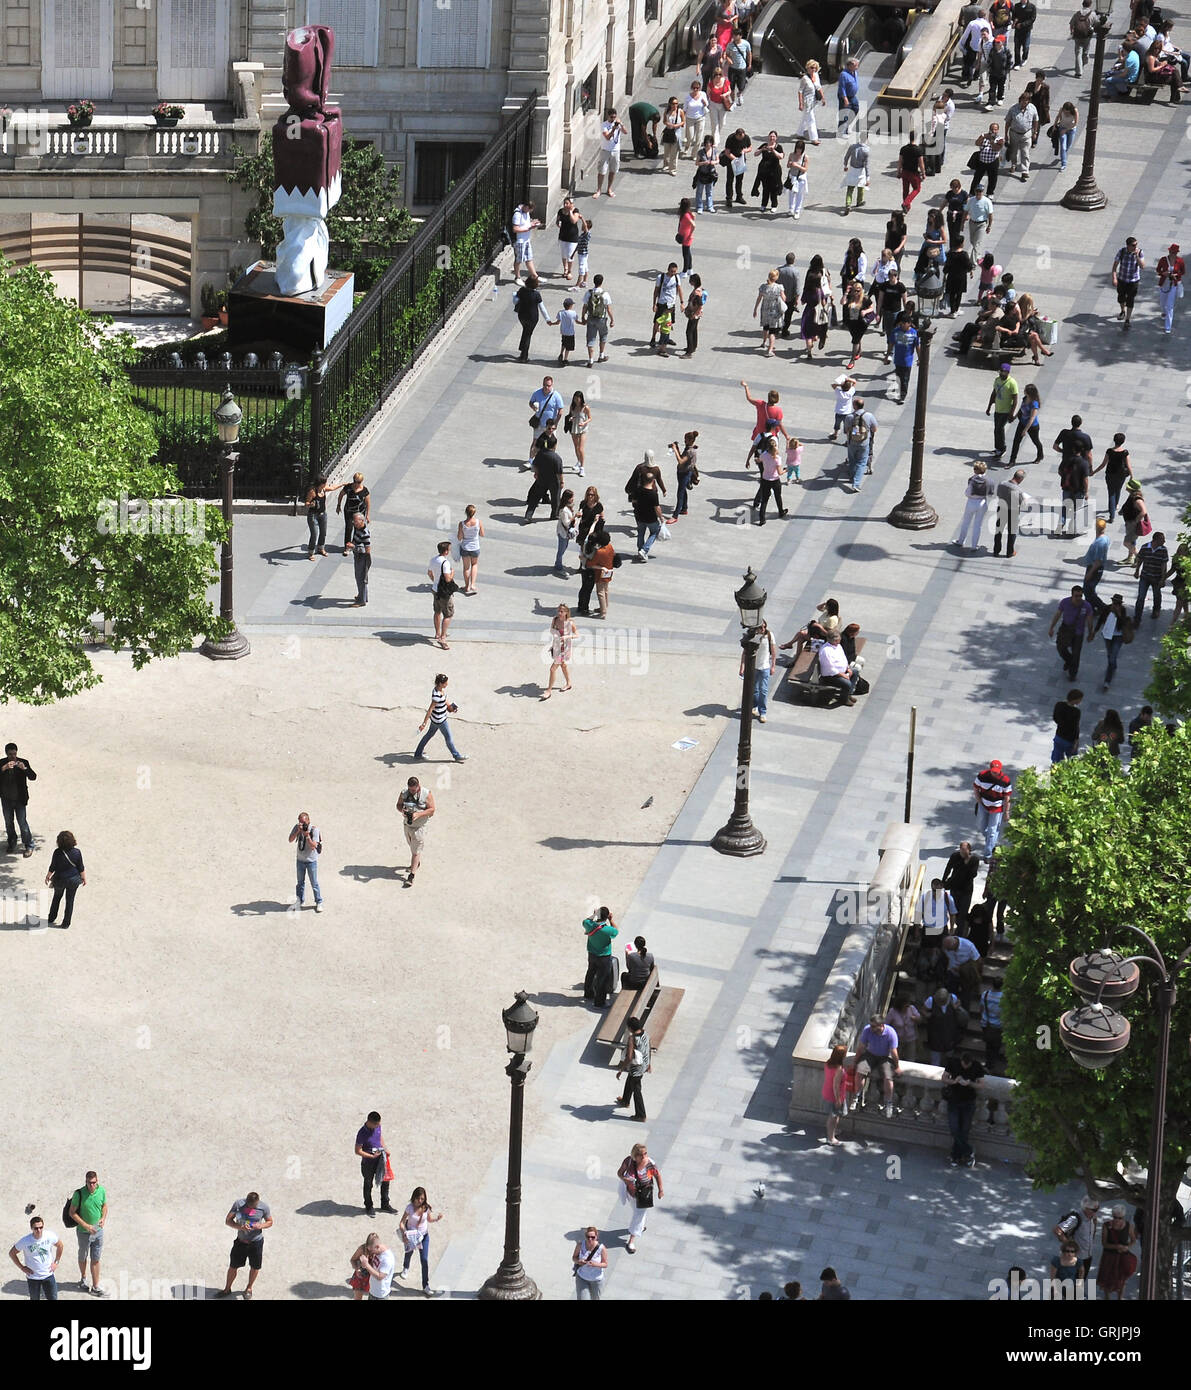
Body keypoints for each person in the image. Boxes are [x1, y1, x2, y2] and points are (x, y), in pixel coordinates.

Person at [216, 1191, 272, 1299]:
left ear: (257, 1203)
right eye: (248, 1205)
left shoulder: (264, 1207)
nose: (250, 1207)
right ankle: (227, 1289)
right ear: (246, 1201)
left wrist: (260, 1225)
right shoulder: (238, 1204)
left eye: (253, 1206)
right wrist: (240, 1227)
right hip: (241, 1242)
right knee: (233, 1266)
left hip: (256, 1242)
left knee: (255, 1267)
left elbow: (270, 1222)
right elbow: (228, 1220)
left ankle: (249, 1288)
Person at [398, 1188, 444, 1296]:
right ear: (414, 1197)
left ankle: (425, 1285)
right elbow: (401, 1222)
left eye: (422, 1199)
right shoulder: (409, 1208)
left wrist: (437, 1219)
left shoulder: (425, 1208)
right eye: (418, 1198)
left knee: (424, 1260)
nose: (420, 1201)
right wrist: (405, 1233)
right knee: (408, 1253)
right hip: (411, 1236)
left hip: (424, 1236)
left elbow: (429, 1219)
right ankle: (406, 1267)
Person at [618, 1143, 664, 1253]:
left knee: (639, 1214)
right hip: (630, 1193)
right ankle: (640, 1226)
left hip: (643, 1194)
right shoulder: (628, 1161)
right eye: (640, 1154)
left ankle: (631, 1241)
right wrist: (625, 1179)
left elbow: (657, 1175)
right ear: (635, 1155)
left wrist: (660, 1190)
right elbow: (619, 1173)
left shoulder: (649, 1164)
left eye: (645, 1153)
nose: (643, 1156)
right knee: (637, 1212)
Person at [853, 1012, 900, 1117]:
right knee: (860, 1071)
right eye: (871, 1025)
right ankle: (857, 1097)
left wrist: (897, 1067)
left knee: (888, 1077)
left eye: (874, 1026)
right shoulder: (867, 1030)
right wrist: (855, 1062)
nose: (871, 1028)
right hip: (870, 1054)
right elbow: (861, 1047)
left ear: (881, 1026)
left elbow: (894, 1052)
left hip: (885, 1057)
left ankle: (888, 1103)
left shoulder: (891, 1033)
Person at [942, 1051, 984, 1167]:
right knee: (954, 1128)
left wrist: (969, 1083)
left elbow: (981, 1085)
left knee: (964, 1130)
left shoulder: (977, 1066)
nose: (965, 1067)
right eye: (964, 1064)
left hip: (968, 1102)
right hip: (954, 1101)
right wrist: (954, 1081)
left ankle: (956, 1155)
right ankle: (969, 1151)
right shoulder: (953, 1063)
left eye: (967, 1065)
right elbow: (944, 1078)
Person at [69, 1172, 107, 1296]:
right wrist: (86, 1226)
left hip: (98, 1231)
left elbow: (104, 1206)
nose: (92, 1185)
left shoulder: (101, 1191)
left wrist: (103, 1218)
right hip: (83, 1232)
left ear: (97, 1181)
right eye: (89, 1183)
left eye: (94, 1183)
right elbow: (72, 1213)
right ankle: (83, 1279)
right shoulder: (79, 1194)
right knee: (83, 1256)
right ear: (85, 1182)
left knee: (96, 1258)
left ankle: (96, 1287)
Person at [9, 1215, 62, 1301]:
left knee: (53, 1298)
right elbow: (12, 1253)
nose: (39, 1230)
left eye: (41, 1227)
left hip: (48, 1275)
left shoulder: (49, 1235)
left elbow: (60, 1245)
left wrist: (56, 1262)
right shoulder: (25, 1241)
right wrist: (22, 1267)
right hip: (33, 1277)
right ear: (31, 1228)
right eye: (36, 1228)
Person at [415, 673, 467, 761]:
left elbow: (444, 700)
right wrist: (424, 723)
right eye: (446, 683)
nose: (447, 684)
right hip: (441, 721)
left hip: (435, 720)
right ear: (440, 684)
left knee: (428, 736)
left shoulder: (439, 690)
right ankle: (456, 756)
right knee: (449, 738)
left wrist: (450, 707)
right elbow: (430, 709)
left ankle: (418, 754)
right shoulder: (436, 696)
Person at [1049, 585, 1095, 680]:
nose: (1078, 598)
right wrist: (1052, 627)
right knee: (1060, 647)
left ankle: (1072, 673)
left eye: (1080, 596)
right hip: (1065, 629)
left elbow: (1090, 621)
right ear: (1072, 595)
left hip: (1078, 633)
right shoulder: (1065, 602)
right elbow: (1058, 614)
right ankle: (1068, 660)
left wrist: (1091, 633)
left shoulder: (1086, 606)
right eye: (1076, 596)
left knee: (1076, 654)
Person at [397, 776, 434, 887]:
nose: (411, 792)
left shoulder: (426, 794)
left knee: (415, 851)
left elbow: (432, 809)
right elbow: (398, 805)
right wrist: (402, 810)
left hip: (420, 827)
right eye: (410, 789)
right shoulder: (404, 793)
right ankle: (416, 863)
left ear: (418, 786)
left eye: (413, 790)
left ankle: (411, 876)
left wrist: (418, 814)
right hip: (407, 825)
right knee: (411, 845)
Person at [355, 1111, 393, 1218]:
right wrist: (371, 1156)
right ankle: (369, 1206)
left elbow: (380, 1137)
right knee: (368, 1184)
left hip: (380, 1160)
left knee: (385, 1180)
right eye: (376, 1124)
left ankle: (385, 1204)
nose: (378, 1126)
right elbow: (357, 1150)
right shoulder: (362, 1133)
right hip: (368, 1163)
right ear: (370, 1122)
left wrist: (385, 1148)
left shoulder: (378, 1126)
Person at [1052, 1196, 1100, 1278]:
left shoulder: (1092, 1218)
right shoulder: (1075, 1219)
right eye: (1094, 1210)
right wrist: (1069, 1244)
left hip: (1087, 1257)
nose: (1096, 1212)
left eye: (1097, 1209)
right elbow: (1057, 1230)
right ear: (1086, 1208)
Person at [973, 759, 1011, 858]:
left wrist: (1006, 812)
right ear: (990, 769)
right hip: (983, 805)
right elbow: (976, 788)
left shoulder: (1005, 780)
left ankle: (988, 854)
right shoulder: (982, 776)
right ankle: (991, 842)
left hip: (997, 808)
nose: (995, 774)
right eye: (993, 771)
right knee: (981, 827)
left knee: (992, 831)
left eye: (997, 772)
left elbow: (1007, 798)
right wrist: (979, 801)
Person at [616, 1016, 652, 1120]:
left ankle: (641, 1115)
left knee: (637, 1089)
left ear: (630, 1028)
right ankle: (625, 1101)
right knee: (630, 1080)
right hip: (644, 1063)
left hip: (636, 1067)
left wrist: (621, 1069)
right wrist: (649, 1063)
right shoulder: (645, 1033)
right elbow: (648, 1047)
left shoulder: (632, 1039)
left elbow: (629, 1057)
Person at [1097, 1207, 1138, 1299]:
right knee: (1107, 1277)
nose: (1117, 1220)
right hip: (1109, 1256)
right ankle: (1107, 1297)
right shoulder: (1106, 1225)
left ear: (1123, 1217)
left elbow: (1133, 1240)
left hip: (1122, 1257)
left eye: (1120, 1218)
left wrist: (1127, 1247)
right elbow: (1104, 1243)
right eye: (1115, 1217)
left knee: (1121, 1278)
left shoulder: (1128, 1226)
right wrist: (1117, 1247)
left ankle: (1120, 1297)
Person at [583, 905, 619, 1007]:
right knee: (602, 979)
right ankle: (599, 1002)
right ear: (607, 916)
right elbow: (616, 931)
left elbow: (585, 921)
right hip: (604, 957)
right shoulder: (607, 929)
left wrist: (594, 914)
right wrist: (611, 920)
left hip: (592, 954)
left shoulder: (589, 925)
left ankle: (588, 993)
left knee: (590, 973)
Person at [922, 988, 969, 1065]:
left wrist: (955, 1007)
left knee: (949, 1055)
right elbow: (923, 1010)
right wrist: (928, 1015)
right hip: (935, 1033)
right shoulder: (930, 1000)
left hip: (949, 1031)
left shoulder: (952, 998)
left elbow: (959, 1002)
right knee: (935, 1058)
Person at [742, 619, 777, 722]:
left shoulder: (769, 635)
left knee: (764, 690)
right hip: (753, 667)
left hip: (764, 667)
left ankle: (763, 712)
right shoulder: (752, 637)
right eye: (761, 627)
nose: (763, 629)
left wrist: (773, 666)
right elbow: (744, 652)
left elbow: (774, 652)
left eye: (764, 627)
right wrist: (742, 666)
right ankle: (754, 706)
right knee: (755, 689)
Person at [1134, 530, 1172, 622]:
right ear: (1156, 540)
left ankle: (1156, 610)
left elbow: (1164, 565)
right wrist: (1137, 570)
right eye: (1162, 540)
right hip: (1145, 576)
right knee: (1141, 597)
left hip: (1156, 577)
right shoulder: (1145, 547)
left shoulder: (1163, 550)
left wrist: (1162, 579)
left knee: (1157, 595)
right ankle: (1137, 617)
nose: (1164, 541)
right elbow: (1140, 559)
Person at [954, 461, 992, 551]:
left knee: (966, 522)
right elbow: (990, 494)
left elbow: (967, 493)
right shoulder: (989, 481)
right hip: (982, 503)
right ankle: (974, 545)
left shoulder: (972, 480)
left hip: (971, 502)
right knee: (977, 525)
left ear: (976, 470)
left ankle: (961, 541)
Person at [818, 630, 862, 707]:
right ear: (832, 640)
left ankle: (848, 694)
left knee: (855, 671)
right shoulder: (826, 651)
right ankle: (843, 699)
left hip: (841, 671)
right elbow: (830, 668)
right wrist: (842, 675)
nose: (839, 642)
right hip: (831, 676)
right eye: (837, 640)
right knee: (847, 683)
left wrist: (847, 668)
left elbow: (843, 658)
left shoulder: (837, 646)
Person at [942, 841, 981, 928]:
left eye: (965, 850)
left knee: (963, 913)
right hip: (954, 888)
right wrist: (943, 881)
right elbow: (948, 868)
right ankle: (959, 927)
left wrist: (966, 864)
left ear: (969, 850)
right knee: (954, 911)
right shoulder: (955, 856)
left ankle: (960, 931)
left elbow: (973, 875)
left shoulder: (974, 860)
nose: (963, 852)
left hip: (966, 890)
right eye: (961, 850)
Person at [427, 540, 457, 650]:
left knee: (437, 611)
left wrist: (435, 581)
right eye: (449, 549)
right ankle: (443, 638)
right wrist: (452, 572)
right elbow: (448, 578)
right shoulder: (446, 563)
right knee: (448, 615)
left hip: (435, 589)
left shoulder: (433, 560)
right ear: (446, 551)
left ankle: (437, 633)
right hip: (444, 592)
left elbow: (429, 573)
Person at [986, 363, 1019, 459]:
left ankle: (1002, 448)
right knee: (996, 429)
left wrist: (1011, 413)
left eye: (1003, 371)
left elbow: (1015, 399)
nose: (1001, 373)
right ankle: (997, 448)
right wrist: (989, 407)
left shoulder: (1012, 383)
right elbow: (994, 393)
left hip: (1006, 411)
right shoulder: (997, 380)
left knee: (999, 429)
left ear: (1008, 372)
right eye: (1000, 371)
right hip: (998, 409)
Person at [1004, 89, 1039, 179]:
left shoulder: (1032, 108)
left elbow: (1036, 120)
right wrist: (1006, 134)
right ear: (1020, 100)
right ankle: (1013, 165)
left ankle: (1025, 170)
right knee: (1013, 152)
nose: (1024, 102)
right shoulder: (1013, 108)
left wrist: (1035, 132)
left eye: (1026, 100)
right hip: (1014, 133)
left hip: (1026, 134)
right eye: (1023, 100)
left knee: (1025, 153)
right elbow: (1008, 122)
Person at [543, 604, 577, 698]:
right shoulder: (555, 619)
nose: (559, 613)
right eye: (558, 611)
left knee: (552, 669)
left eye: (561, 611)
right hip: (557, 646)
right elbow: (552, 630)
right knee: (563, 665)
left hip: (564, 649)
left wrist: (567, 636)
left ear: (566, 613)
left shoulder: (570, 623)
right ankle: (569, 683)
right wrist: (554, 640)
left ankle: (549, 690)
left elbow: (577, 635)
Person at [1111, 237, 1145, 329]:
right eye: (1133, 245)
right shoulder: (1122, 252)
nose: (1135, 247)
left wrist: (1137, 256)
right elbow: (1114, 267)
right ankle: (1123, 310)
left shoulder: (1140, 252)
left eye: (1136, 244)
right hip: (1122, 279)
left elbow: (1142, 266)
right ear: (1128, 246)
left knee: (1130, 299)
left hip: (1133, 281)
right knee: (1121, 297)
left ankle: (1127, 320)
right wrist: (1114, 278)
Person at [580, 274, 614, 365]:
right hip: (601, 319)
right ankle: (601, 355)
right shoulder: (605, 294)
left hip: (591, 318)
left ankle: (590, 360)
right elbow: (609, 309)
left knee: (591, 338)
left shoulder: (589, 293)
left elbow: (584, 307)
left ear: (593, 282)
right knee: (603, 335)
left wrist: (583, 317)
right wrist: (612, 320)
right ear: (602, 282)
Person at [512, 272, 546, 361]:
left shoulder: (522, 290)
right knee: (528, 335)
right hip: (532, 318)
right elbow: (542, 308)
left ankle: (522, 350)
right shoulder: (536, 294)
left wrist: (514, 295)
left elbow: (515, 301)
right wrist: (548, 319)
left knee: (525, 331)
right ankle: (524, 356)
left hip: (522, 315)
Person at [1080, 517, 1111, 614]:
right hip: (1094, 567)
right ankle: (1092, 609)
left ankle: (1102, 607)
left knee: (1088, 591)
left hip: (1094, 569)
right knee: (1089, 590)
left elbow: (1098, 561)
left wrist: (1090, 573)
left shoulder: (1100, 543)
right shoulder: (1105, 538)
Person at [753, 268, 786, 357]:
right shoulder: (779, 287)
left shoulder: (763, 287)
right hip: (774, 311)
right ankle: (770, 349)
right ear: (776, 278)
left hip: (765, 310)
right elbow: (784, 298)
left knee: (765, 327)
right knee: (772, 331)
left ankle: (764, 342)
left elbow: (759, 298)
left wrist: (755, 309)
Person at [335, 472, 370, 554]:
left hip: (359, 513)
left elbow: (368, 502)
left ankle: (354, 545)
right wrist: (338, 505)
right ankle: (347, 547)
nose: (356, 484)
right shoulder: (349, 487)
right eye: (355, 481)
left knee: (357, 529)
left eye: (358, 482)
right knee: (349, 528)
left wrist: (367, 515)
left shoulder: (364, 490)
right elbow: (341, 494)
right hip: (349, 511)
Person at [355, 1232, 396, 1301]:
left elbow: (380, 1277)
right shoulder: (377, 1251)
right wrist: (362, 1269)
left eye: (371, 1250)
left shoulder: (387, 1259)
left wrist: (366, 1265)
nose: (371, 1252)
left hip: (380, 1296)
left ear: (377, 1247)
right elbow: (374, 1267)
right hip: (373, 1292)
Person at [752, 130, 784, 213]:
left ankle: (774, 205)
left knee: (773, 189)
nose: (772, 138)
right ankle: (763, 205)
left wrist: (773, 150)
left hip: (774, 171)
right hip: (764, 171)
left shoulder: (778, 147)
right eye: (770, 136)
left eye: (773, 136)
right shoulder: (764, 145)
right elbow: (755, 154)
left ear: (776, 138)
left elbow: (781, 156)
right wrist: (762, 149)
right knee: (765, 188)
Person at [595, 109, 625, 196]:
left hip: (615, 150)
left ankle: (609, 189)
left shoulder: (617, 124)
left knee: (613, 171)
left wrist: (621, 125)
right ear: (608, 116)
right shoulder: (604, 125)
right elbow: (607, 137)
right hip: (605, 150)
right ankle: (598, 190)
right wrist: (613, 129)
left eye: (615, 117)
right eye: (612, 117)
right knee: (602, 171)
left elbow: (625, 132)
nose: (613, 119)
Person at [822, 1044, 848, 1144]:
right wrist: (838, 1099)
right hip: (834, 1096)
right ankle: (830, 1138)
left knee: (834, 1115)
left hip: (827, 1091)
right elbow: (836, 1086)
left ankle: (833, 1131)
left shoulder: (828, 1063)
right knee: (833, 1117)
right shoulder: (839, 1069)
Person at [456, 503, 484, 595]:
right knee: (474, 564)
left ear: (466, 513)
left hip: (465, 547)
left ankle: (466, 586)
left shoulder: (462, 524)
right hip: (475, 546)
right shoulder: (478, 522)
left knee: (466, 567)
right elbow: (482, 534)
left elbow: (459, 537)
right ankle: (473, 584)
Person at [890, 310, 918, 403]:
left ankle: (902, 395)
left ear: (909, 323)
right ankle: (899, 390)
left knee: (905, 378)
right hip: (898, 360)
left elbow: (917, 346)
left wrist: (920, 358)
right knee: (898, 377)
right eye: (901, 323)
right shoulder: (895, 331)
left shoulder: (914, 333)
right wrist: (887, 355)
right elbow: (891, 343)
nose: (902, 325)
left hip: (907, 361)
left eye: (904, 324)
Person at [1120, 479, 1150, 566]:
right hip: (1129, 523)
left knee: (1127, 543)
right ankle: (1130, 558)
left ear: (1131, 489)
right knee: (1132, 542)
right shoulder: (1132, 495)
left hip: (1132, 524)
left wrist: (1135, 521)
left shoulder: (1137, 500)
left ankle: (1139, 557)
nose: (1126, 487)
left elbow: (1144, 511)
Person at [588, 527, 616, 620]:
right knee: (606, 590)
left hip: (601, 573)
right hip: (609, 571)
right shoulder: (610, 547)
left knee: (600, 592)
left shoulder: (600, 552)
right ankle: (605, 606)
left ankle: (603, 612)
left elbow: (591, 564)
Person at [572, 1227, 608, 1299]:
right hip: (582, 1277)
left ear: (596, 1237)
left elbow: (605, 1264)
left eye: (592, 1237)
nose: (590, 1239)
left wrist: (595, 1264)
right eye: (588, 1237)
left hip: (596, 1279)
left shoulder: (601, 1248)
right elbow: (574, 1257)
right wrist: (579, 1261)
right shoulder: (580, 1245)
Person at [1157, 242, 1185, 333]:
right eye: (1171, 252)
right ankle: (1164, 312)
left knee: (1170, 306)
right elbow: (1158, 270)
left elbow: (1183, 272)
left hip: (1173, 284)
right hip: (1164, 283)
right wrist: (1163, 273)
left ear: (1177, 253)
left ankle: (1168, 326)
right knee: (1162, 302)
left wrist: (1176, 275)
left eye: (1174, 252)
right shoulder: (1163, 260)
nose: (1172, 254)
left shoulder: (1180, 261)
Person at [887, 994, 923, 1063]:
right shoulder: (892, 1011)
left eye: (908, 1005)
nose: (907, 1007)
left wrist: (915, 1019)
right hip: (897, 1040)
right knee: (895, 1059)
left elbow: (920, 1019)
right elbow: (886, 1024)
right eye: (906, 1005)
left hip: (911, 1039)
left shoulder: (912, 1008)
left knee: (911, 1059)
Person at [511, 200, 541, 281]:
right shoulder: (517, 214)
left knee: (529, 258)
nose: (529, 212)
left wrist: (532, 223)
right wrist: (528, 228)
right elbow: (515, 229)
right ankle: (517, 277)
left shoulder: (526, 212)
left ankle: (535, 276)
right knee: (519, 260)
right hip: (520, 240)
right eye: (529, 210)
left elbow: (525, 223)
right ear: (526, 207)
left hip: (526, 240)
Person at [796, 59, 825, 144]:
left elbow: (819, 87)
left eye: (815, 68)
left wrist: (823, 98)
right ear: (808, 68)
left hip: (814, 101)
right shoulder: (804, 78)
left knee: (805, 117)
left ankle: (799, 133)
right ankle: (814, 138)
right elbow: (800, 91)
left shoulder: (816, 76)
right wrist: (800, 103)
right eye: (812, 68)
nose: (813, 69)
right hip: (807, 102)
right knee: (811, 119)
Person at [1051, 688, 1084, 762]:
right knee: (1072, 759)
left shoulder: (1059, 705)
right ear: (1075, 699)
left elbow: (1055, 718)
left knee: (1056, 759)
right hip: (1070, 739)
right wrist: (1076, 741)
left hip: (1059, 736)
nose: (1080, 701)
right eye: (1080, 699)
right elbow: (1075, 727)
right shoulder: (1076, 712)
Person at [346, 512, 371, 607]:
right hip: (358, 557)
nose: (354, 523)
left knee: (361, 579)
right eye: (354, 521)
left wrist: (354, 547)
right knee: (359, 577)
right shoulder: (357, 529)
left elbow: (367, 550)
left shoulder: (365, 533)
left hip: (363, 558)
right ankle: (363, 596)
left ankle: (361, 601)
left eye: (356, 521)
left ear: (362, 521)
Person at [304, 475, 332, 559]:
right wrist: (310, 504)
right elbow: (306, 503)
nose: (326, 484)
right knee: (314, 534)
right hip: (313, 516)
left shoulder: (323, 489)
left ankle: (320, 548)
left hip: (323, 514)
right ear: (320, 484)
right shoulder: (312, 492)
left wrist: (342, 485)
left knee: (323, 532)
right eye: (324, 483)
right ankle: (311, 552)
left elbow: (333, 488)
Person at [970, 126, 1003, 196]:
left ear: (998, 130)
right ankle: (972, 193)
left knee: (992, 179)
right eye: (992, 129)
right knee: (977, 178)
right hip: (982, 161)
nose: (993, 131)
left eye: (995, 129)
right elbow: (977, 143)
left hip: (993, 161)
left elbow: (996, 148)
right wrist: (983, 137)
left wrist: (991, 141)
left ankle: (990, 193)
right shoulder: (984, 136)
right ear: (989, 129)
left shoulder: (1000, 139)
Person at [980, 976, 1004, 1070]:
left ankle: (988, 1063)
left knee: (988, 1045)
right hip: (998, 1026)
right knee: (996, 1045)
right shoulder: (1004, 998)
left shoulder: (985, 994)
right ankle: (992, 1063)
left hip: (986, 1024)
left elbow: (981, 1009)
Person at [841, 133, 869, 214]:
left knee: (850, 188)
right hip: (860, 171)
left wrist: (845, 165)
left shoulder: (852, 147)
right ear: (867, 139)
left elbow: (846, 157)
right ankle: (859, 201)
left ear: (859, 137)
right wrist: (868, 178)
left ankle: (848, 204)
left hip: (852, 170)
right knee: (861, 187)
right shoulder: (866, 150)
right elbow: (867, 165)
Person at [897, 129, 925, 211]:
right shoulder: (918, 150)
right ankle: (906, 203)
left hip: (905, 172)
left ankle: (907, 207)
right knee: (917, 189)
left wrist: (899, 172)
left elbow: (900, 161)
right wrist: (923, 173)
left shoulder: (903, 149)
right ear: (916, 138)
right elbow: (921, 163)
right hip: (914, 173)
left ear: (909, 137)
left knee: (905, 190)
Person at [1051, 101, 1079, 172]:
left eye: (1068, 112)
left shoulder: (1075, 111)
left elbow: (1075, 123)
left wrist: (1067, 129)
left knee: (1068, 146)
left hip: (1071, 129)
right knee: (1063, 147)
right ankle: (1064, 163)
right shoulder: (1061, 109)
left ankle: (1063, 155)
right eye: (1065, 112)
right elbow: (1057, 117)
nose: (1066, 114)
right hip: (1062, 128)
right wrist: (1054, 126)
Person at [1071, 0, 1094, 76]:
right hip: (1087, 36)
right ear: (1090, 5)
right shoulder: (1092, 14)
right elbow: (1097, 24)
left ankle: (1079, 72)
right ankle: (1084, 62)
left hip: (1077, 36)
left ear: (1082, 4)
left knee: (1078, 53)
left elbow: (1071, 24)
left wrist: (1072, 32)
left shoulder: (1077, 14)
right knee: (1085, 51)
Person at [838, 55, 860, 130]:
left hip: (853, 96)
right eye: (856, 65)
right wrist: (845, 99)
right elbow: (842, 88)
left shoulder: (855, 72)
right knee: (844, 113)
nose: (857, 67)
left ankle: (846, 126)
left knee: (855, 109)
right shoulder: (843, 74)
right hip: (845, 97)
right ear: (850, 65)